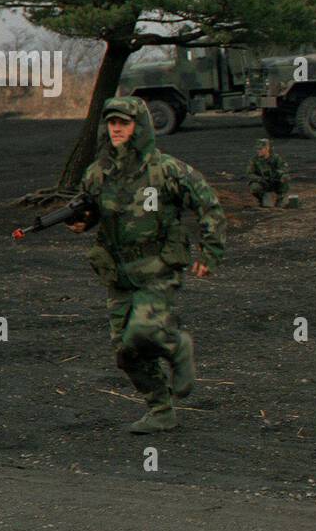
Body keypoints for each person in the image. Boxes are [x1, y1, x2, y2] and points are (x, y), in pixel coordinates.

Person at [67, 96, 227, 433]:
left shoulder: (167, 169)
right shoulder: (98, 173)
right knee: (126, 352)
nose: (116, 129)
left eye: (124, 123)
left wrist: (210, 252)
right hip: (118, 273)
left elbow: (208, 205)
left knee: (143, 330)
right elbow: (90, 209)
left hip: (158, 268)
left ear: (139, 127)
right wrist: (83, 221)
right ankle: (160, 410)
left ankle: (178, 346)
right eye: (112, 123)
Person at [247, 138, 290, 207]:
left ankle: (281, 198)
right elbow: (250, 174)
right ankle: (262, 199)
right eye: (257, 149)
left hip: (275, 182)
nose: (258, 151)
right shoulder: (254, 160)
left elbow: (284, 168)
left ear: (267, 149)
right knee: (254, 187)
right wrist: (260, 179)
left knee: (285, 177)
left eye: (260, 149)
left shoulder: (276, 158)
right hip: (263, 183)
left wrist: (277, 174)